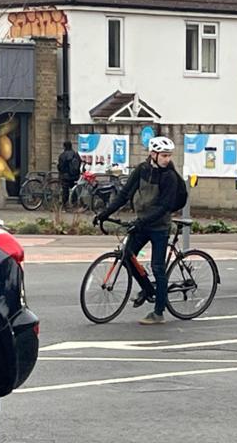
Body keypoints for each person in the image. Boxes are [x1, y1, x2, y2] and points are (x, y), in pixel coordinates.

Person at [94, 136, 179, 325]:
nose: (167, 159)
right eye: (164, 155)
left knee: (158, 268)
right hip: (142, 223)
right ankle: (148, 289)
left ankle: (159, 313)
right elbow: (124, 195)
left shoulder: (169, 176)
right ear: (153, 154)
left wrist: (141, 222)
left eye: (169, 155)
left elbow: (165, 207)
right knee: (127, 255)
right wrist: (104, 213)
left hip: (159, 226)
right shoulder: (142, 170)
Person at [57, 141, 82, 206]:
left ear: (64, 146)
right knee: (74, 189)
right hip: (75, 176)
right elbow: (79, 163)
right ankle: (75, 203)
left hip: (65, 176)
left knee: (65, 190)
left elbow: (61, 167)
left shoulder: (62, 155)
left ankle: (64, 204)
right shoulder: (76, 154)